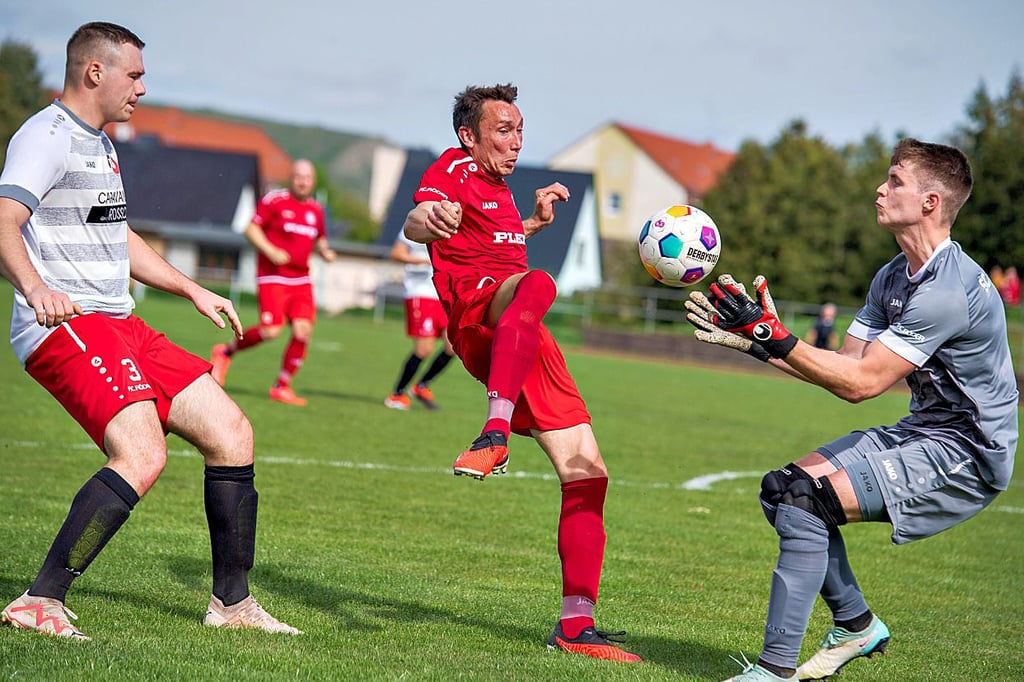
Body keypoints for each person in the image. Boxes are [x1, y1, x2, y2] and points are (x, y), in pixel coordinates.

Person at [0, 22, 298, 639]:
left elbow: (119, 238)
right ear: (95, 72)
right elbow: (3, 220)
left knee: (232, 433)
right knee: (142, 454)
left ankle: (233, 606)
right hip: (67, 325)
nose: (142, 88)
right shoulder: (46, 137)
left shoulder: (102, 144)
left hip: (122, 322)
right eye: (134, 75)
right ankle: (39, 600)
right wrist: (35, 288)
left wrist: (191, 288)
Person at [686, 139, 1017, 681]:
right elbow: (842, 366)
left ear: (931, 202)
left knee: (808, 498)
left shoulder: (948, 291)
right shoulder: (892, 276)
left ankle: (773, 672)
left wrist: (773, 336)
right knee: (783, 490)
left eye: (895, 181)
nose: (880, 190)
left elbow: (862, 385)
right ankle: (856, 626)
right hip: (925, 430)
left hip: (969, 453)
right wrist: (760, 343)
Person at [403, 83, 641, 662]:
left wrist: (532, 222)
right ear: (469, 136)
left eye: (520, 131)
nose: (516, 143)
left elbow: (494, 242)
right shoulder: (453, 168)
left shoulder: (502, 191)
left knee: (588, 474)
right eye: (503, 131)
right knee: (538, 283)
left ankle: (576, 627)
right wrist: (430, 218)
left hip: (521, 331)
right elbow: (416, 220)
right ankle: (493, 432)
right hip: (479, 316)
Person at [210, 159, 336, 406]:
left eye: (307, 178)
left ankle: (282, 386)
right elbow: (251, 229)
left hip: (301, 279)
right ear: (291, 178)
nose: (302, 182)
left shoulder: (316, 210)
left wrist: (325, 251)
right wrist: (270, 250)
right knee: (271, 330)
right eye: (298, 177)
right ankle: (225, 352)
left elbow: (320, 239)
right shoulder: (275, 200)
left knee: (303, 331)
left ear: (313, 181)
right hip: (273, 277)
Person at [384, 230, 455, 411]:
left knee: (453, 345)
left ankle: (421, 385)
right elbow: (396, 253)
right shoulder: (418, 223)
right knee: (424, 349)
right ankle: (396, 395)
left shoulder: (453, 226)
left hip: (443, 294)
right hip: (421, 292)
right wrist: (424, 262)